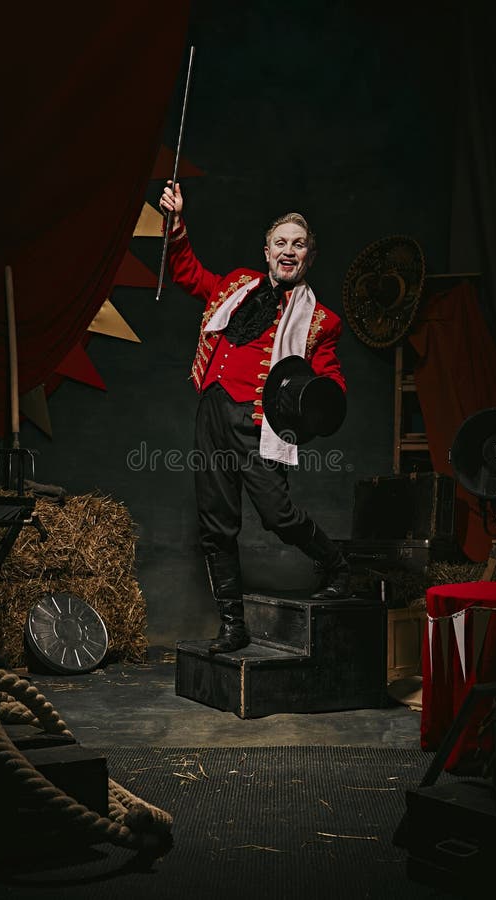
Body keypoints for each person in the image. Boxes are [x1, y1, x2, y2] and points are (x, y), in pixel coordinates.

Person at [159, 181, 350, 654]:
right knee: (216, 522)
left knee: (278, 516)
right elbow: (188, 274)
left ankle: (337, 564)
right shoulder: (235, 286)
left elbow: (331, 381)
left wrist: (317, 404)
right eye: (280, 242)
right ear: (266, 252)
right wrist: (176, 223)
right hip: (213, 412)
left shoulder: (322, 321)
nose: (289, 251)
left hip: (261, 422)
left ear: (309, 256)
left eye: (298, 244)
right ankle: (232, 625)